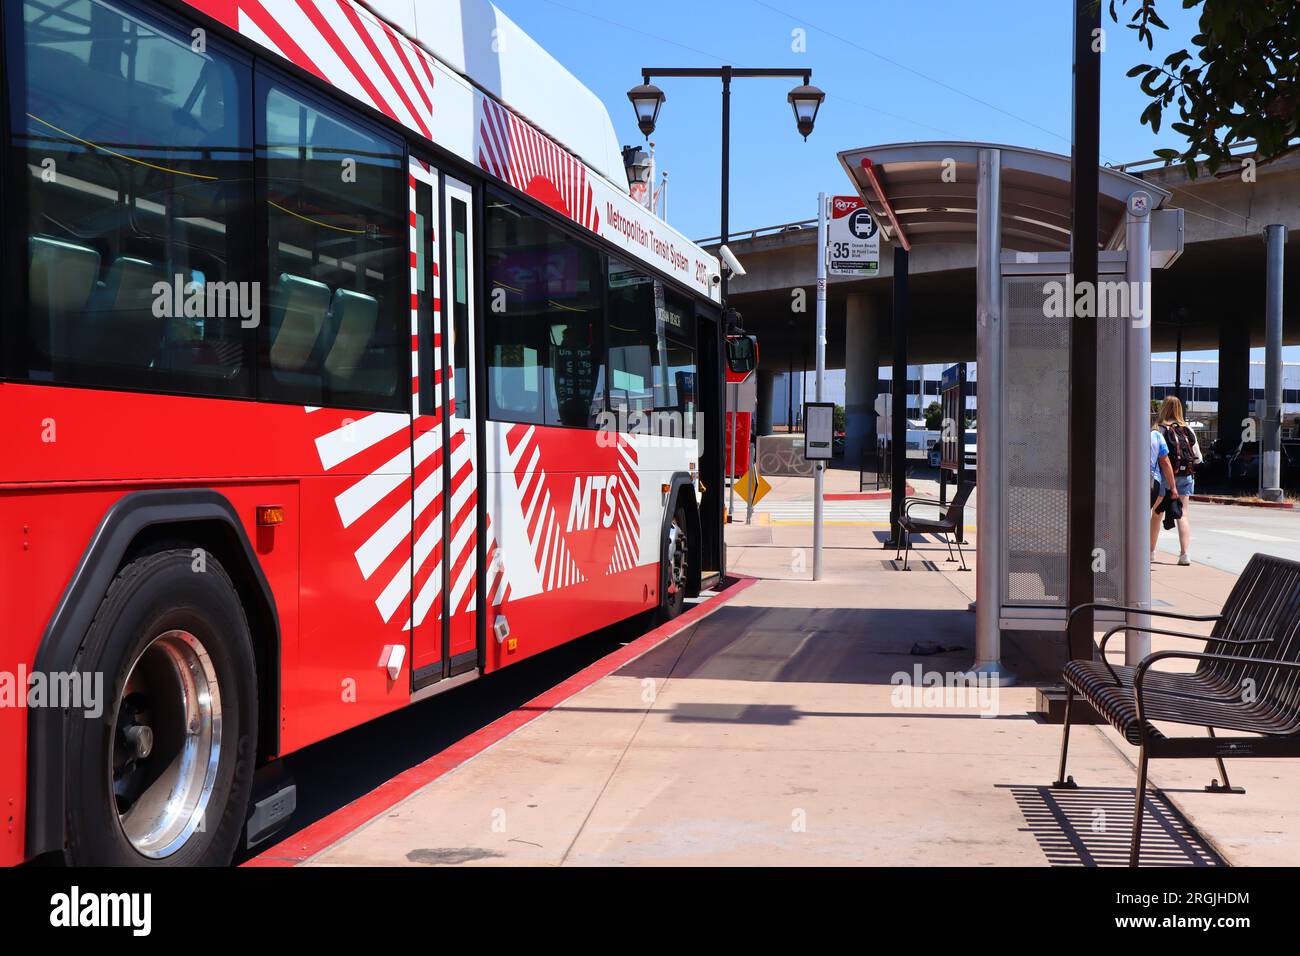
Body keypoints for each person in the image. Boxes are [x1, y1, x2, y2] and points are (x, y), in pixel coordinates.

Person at [1151, 395, 1200, 565]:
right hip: (1185, 476)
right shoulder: (1188, 430)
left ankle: (1150, 552)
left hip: (1164, 476)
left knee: (1157, 514)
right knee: (1183, 514)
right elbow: (1198, 458)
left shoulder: (1158, 429)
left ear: (1163, 407)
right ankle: (1184, 554)